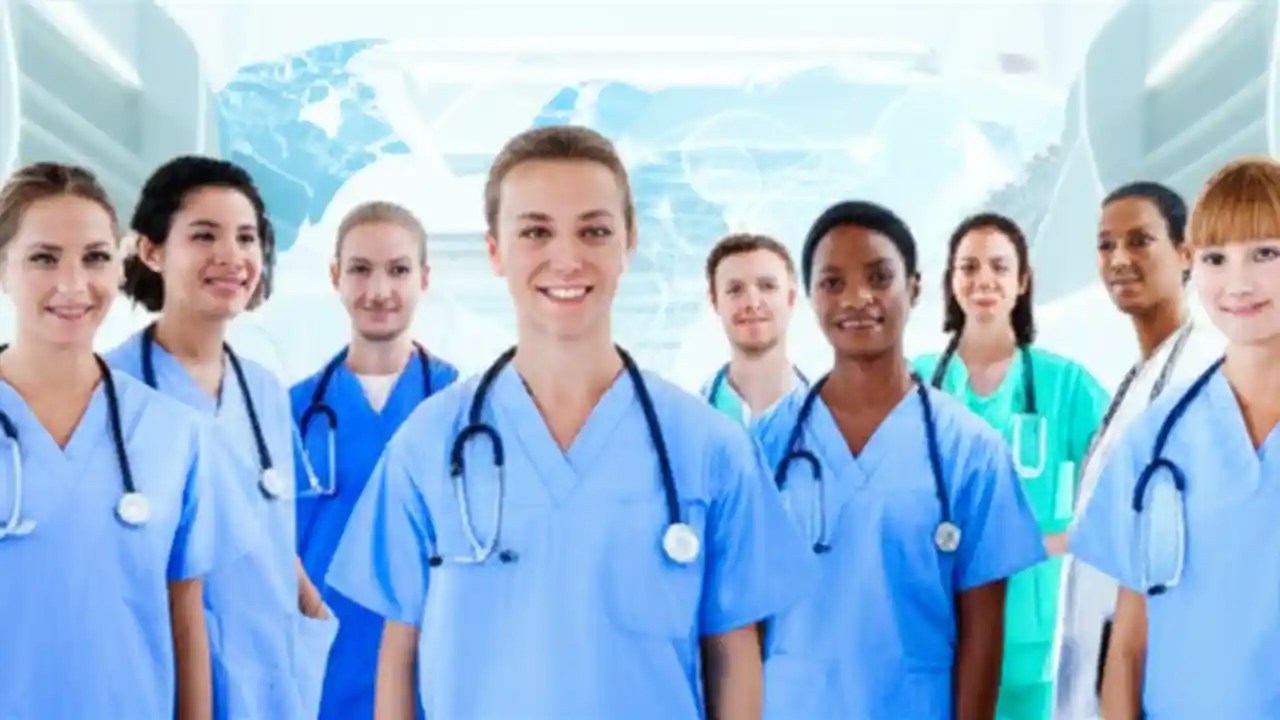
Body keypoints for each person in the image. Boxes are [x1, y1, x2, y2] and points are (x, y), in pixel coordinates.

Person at [326, 125, 818, 720]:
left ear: (627, 243)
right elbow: (399, 653)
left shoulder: (709, 446)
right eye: (535, 231)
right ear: (495, 251)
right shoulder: (429, 443)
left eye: (594, 231)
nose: (566, 257)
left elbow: (734, 655)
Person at [755, 200, 1046, 718]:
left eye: (879, 277)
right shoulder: (765, 444)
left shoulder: (969, 452)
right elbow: (741, 616)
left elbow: (983, 638)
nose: (857, 298)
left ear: (913, 289)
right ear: (810, 298)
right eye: (833, 282)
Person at [0, 162, 251, 718]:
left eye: (95, 257)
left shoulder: (173, 433)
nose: (73, 283)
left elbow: (187, 621)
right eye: (44, 257)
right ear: (4, 268)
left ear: (120, 267)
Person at [107, 155, 335, 720]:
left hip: (273, 667)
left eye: (247, 237)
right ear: (151, 251)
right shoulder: (114, 392)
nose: (231, 257)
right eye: (204, 236)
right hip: (163, 674)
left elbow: (270, 525)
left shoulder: (262, 389)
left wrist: (309, 606)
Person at [1070, 156, 1280, 718]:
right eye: (1217, 258)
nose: (1239, 281)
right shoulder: (1157, 438)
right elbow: (1129, 646)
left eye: (1266, 253)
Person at [910, 212, 1109, 720]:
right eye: (968, 266)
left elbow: (1125, 491)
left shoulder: (1064, 384)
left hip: (1028, 635)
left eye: (999, 266)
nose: (983, 280)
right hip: (930, 624)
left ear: (1022, 281)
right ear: (951, 281)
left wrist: (1050, 540)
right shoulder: (912, 383)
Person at [1055, 181, 1224, 719]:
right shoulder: (1138, 377)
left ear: (1185, 253)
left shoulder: (1203, 371)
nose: (1118, 259)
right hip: (1104, 646)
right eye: (1106, 245)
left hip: (1153, 667)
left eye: (1139, 241)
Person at [292, 201, 459, 720]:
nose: (379, 291)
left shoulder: (468, 410)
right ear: (336, 277)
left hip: (435, 664)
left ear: (424, 279)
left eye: (399, 270)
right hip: (322, 666)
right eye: (361, 270)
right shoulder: (289, 412)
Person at [700, 232, 807, 423]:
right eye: (735, 290)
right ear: (714, 301)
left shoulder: (829, 418)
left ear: (791, 297)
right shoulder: (688, 420)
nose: (752, 303)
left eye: (767, 286)